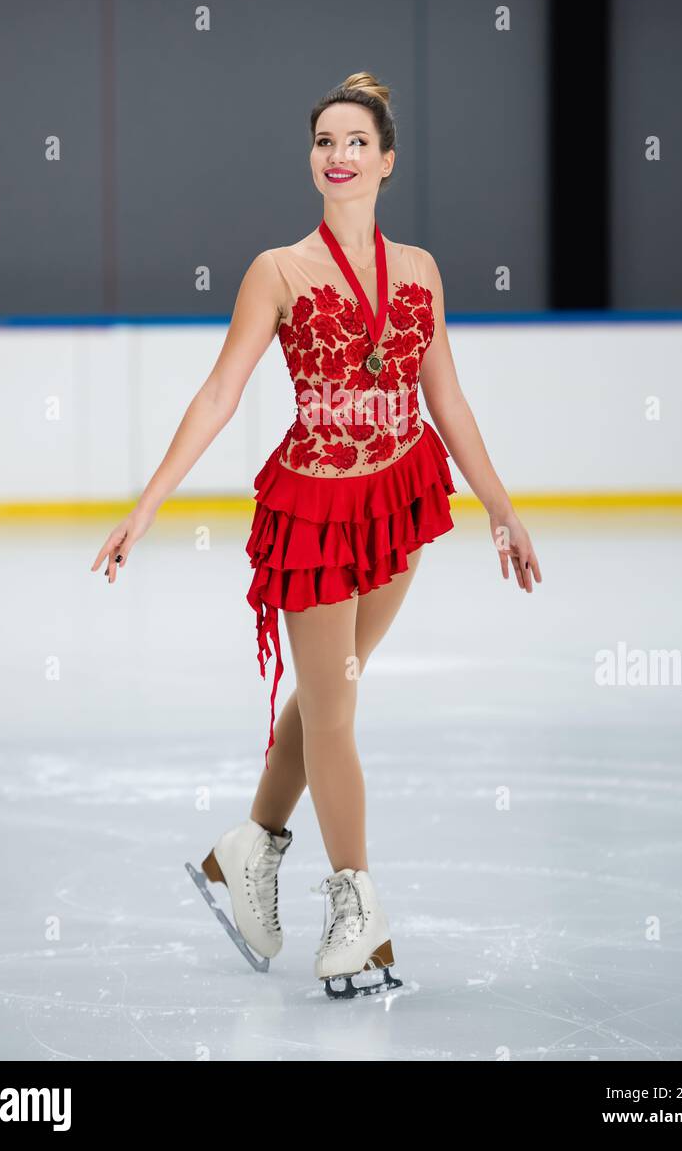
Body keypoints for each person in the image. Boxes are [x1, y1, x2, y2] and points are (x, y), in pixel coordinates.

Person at [92, 71, 542, 997]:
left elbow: (445, 399)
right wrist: (148, 503)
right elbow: (221, 392)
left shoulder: (418, 270)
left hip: (401, 498)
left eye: (354, 142)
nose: (336, 157)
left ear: (385, 161)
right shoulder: (278, 269)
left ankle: (248, 850)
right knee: (333, 703)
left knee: (330, 689)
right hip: (313, 512)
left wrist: (499, 502)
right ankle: (357, 910)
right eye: (323, 142)